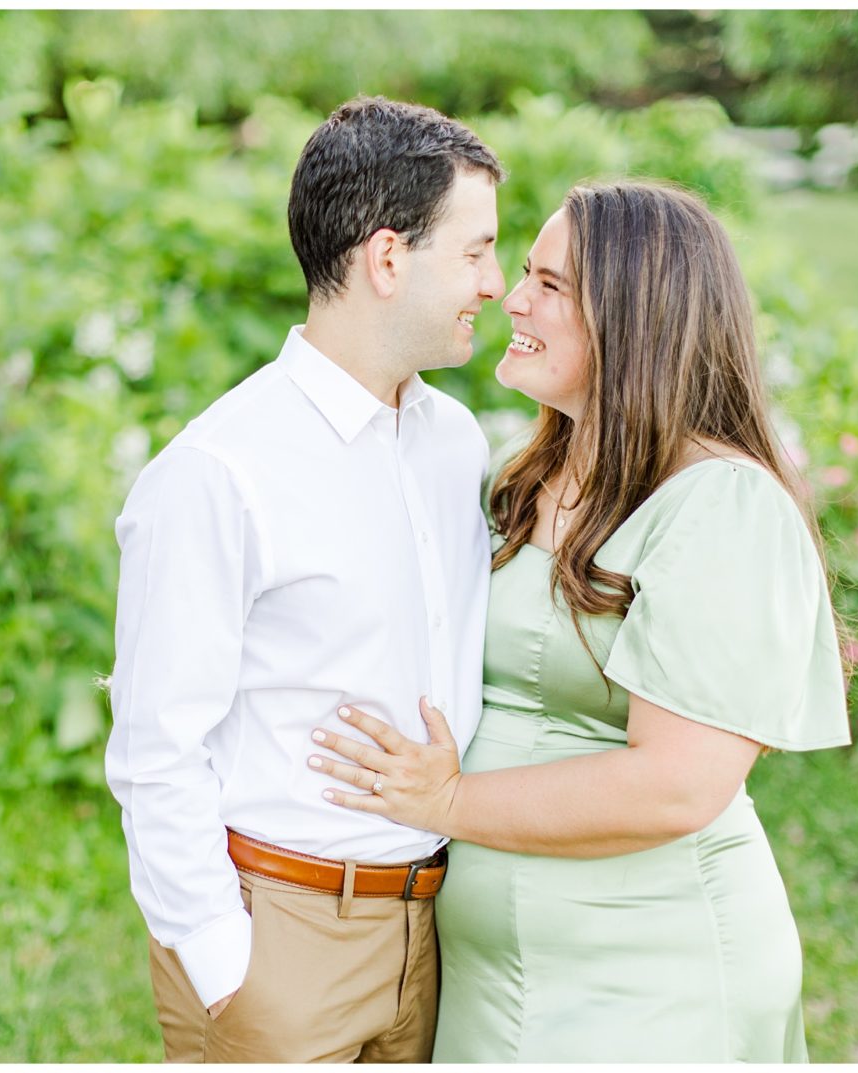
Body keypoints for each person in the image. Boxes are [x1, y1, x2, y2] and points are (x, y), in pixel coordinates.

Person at [307, 180, 852, 1063]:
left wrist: (449, 801)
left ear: (638, 318)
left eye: (551, 284)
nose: (511, 297)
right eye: (524, 271)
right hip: (495, 981)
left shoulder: (722, 503)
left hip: (650, 974)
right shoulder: (533, 474)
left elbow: (679, 783)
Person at [105, 97, 507, 1063]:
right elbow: (157, 747)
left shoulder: (455, 442)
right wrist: (226, 965)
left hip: (433, 929)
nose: (495, 284)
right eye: (476, 252)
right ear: (387, 259)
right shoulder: (218, 471)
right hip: (279, 935)